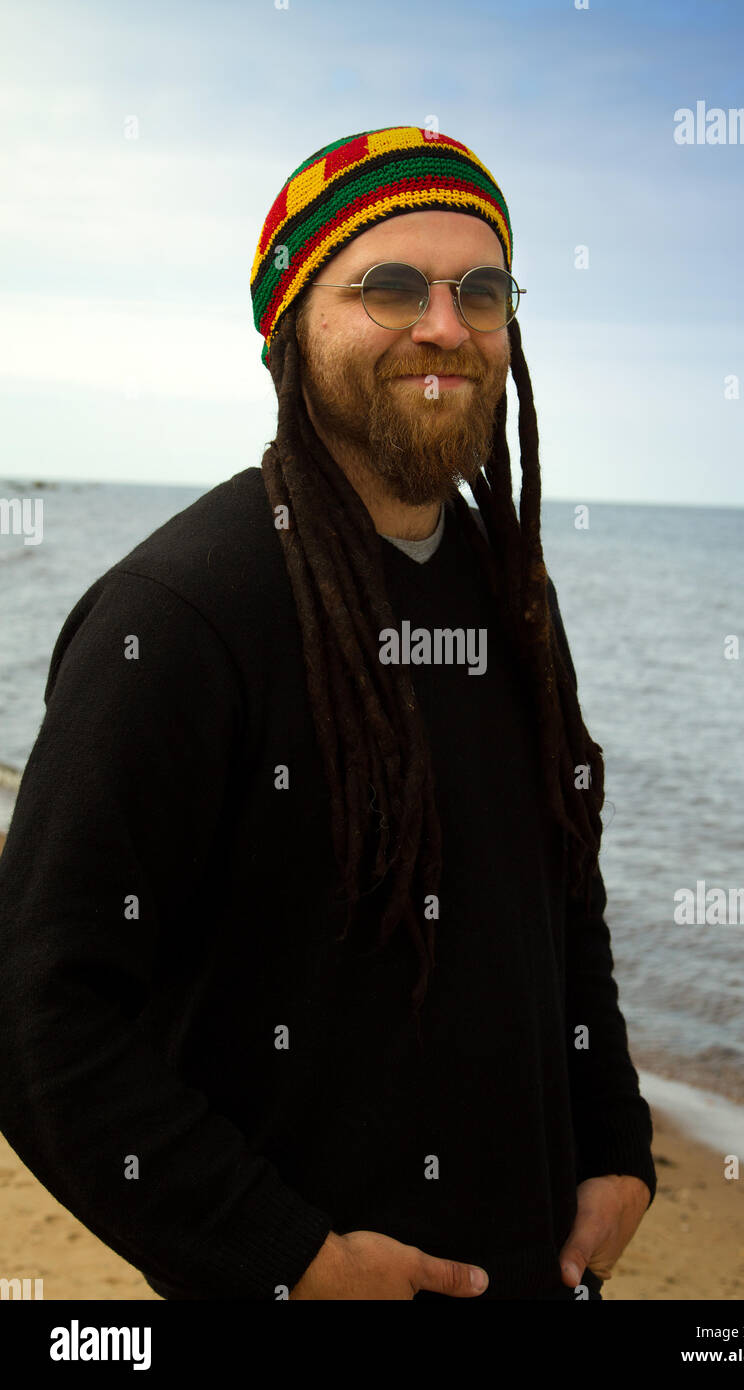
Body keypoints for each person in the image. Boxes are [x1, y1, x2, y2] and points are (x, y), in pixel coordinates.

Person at [0, 125, 654, 1301]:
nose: (444, 324)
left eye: (482, 290)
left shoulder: (509, 591)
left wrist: (612, 1140)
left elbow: (563, 890)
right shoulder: (180, 614)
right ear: (292, 329)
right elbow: (36, 1009)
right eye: (390, 285)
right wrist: (284, 1262)